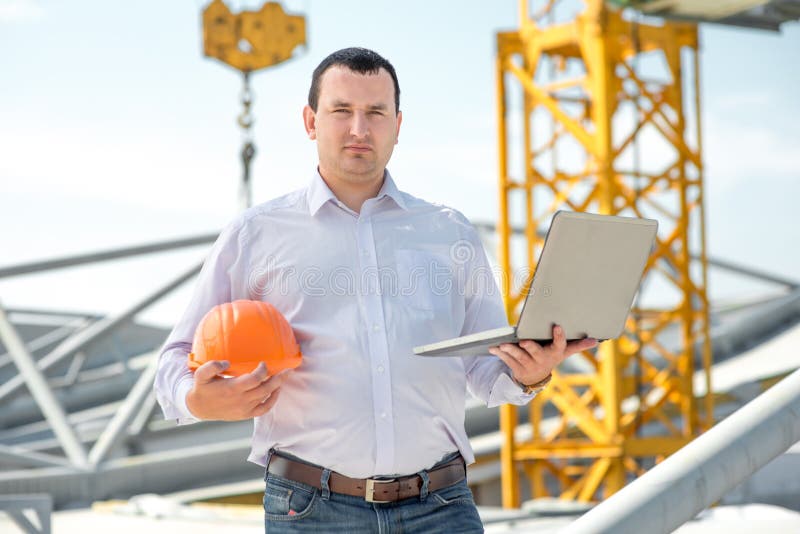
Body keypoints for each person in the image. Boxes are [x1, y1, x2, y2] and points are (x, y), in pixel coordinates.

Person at [154, 47, 597, 533]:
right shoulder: (256, 234)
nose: (359, 129)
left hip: (441, 507)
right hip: (312, 511)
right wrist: (197, 400)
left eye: (375, 113)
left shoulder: (449, 232)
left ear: (398, 125)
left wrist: (531, 373)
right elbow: (176, 357)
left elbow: (487, 371)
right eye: (341, 111)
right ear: (310, 120)